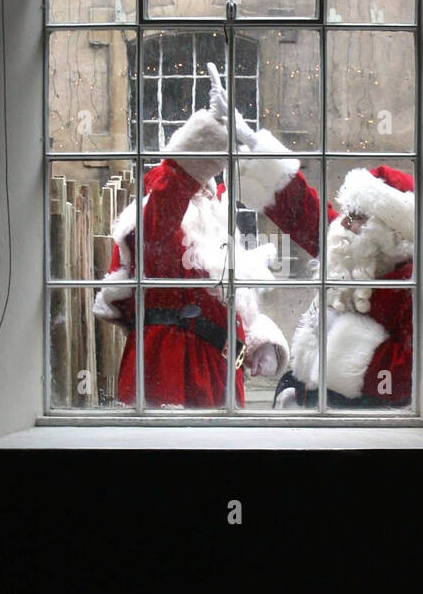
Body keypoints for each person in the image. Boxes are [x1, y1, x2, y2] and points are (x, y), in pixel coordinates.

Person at [93, 67, 289, 408]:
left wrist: (259, 340)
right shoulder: (154, 214)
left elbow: (227, 298)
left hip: (218, 370)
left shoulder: (213, 220)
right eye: (201, 177)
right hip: (172, 368)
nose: (208, 190)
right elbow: (167, 203)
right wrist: (209, 137)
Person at [226, 96, 415, 409]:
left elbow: (407, 371)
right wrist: (256, 148)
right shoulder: (350, 246)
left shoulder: (405, 281)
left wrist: (338, 353)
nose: (344, 223)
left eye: (357, 217)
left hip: (362, 417)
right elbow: (304, 211)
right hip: (308, 400)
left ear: (386, 231)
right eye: (347, 213)